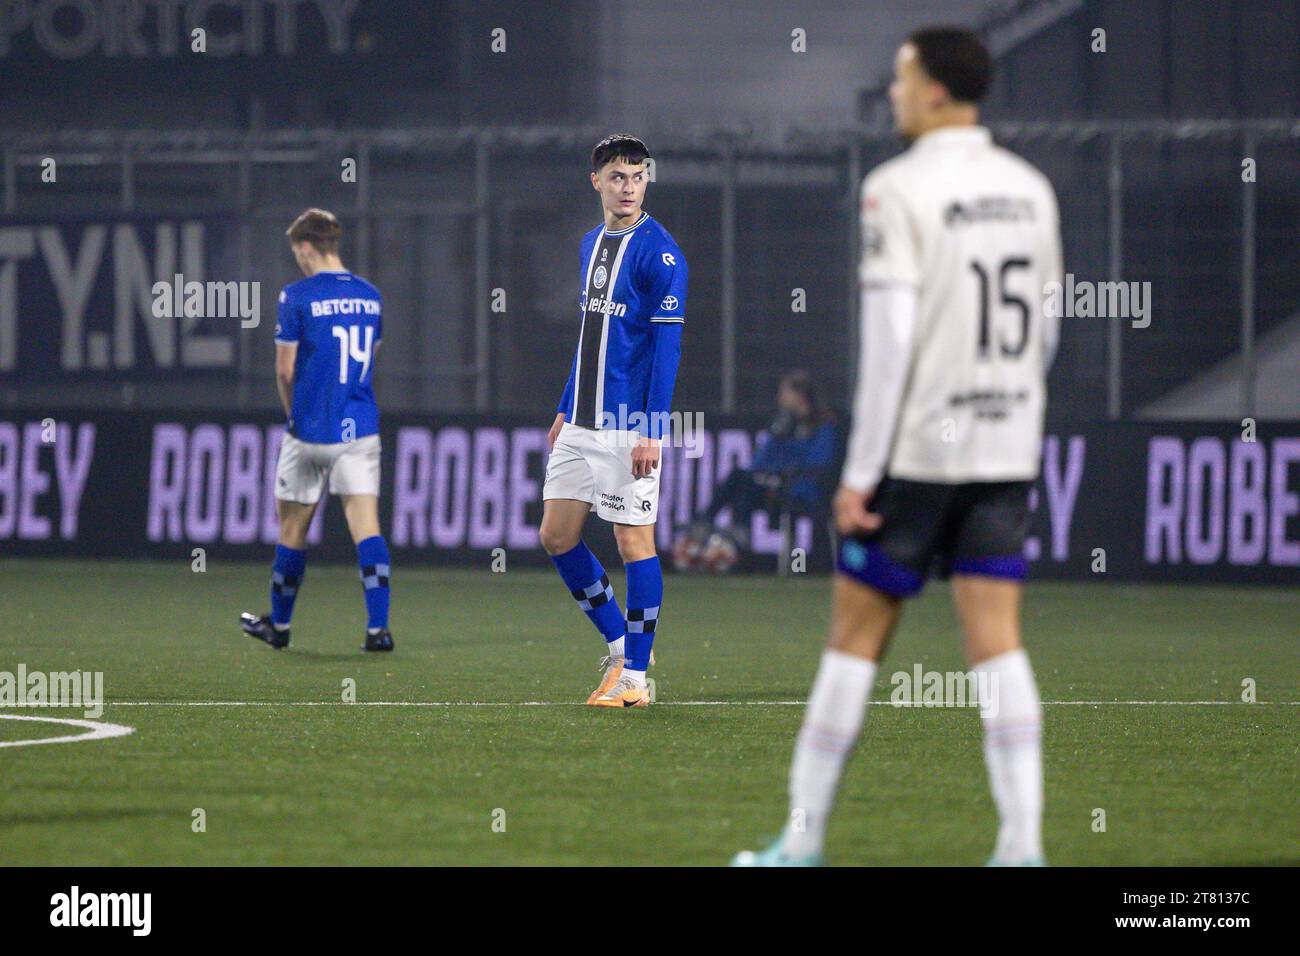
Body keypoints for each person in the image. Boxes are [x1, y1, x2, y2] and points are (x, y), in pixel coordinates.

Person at [734, 25, 1062, 865]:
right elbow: (1050, 326)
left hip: (917, 456)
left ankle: (798, 847)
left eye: (903, 78)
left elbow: (890, 346)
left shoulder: (895, 189)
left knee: (854, 640)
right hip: (1006, 448)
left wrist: (861, 470)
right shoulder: (1032, 188)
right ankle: (1022, 850)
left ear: (939, 92)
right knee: (997, 643)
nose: (893, 92)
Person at [538, 134, 688, 708]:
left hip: (629, 423)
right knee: (556, 535)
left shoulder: (663, 255)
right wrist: (563, 404)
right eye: (617, 176)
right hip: (579, 421)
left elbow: (666, 350)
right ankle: (620, 645)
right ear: (596, 181)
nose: (628, 187)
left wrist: (654, 428)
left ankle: (636, 679)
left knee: (633, 542)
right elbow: (590, 337)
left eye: (637, 176)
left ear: (647, 180)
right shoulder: (589, 244)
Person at [240, 208, 394, 653]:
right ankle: (378, 630)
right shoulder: (371, 296)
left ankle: (280, 627)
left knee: (292, 530)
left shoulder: (297, 296)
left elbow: (286, 370)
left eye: (296, 251)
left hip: (308, 431)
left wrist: (295, 415)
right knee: (367, 528)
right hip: (358, 429)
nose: (297, 259)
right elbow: (368, 360)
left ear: (306, 247)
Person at [674, 370, 836, 570]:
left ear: (799, 396)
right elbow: (758, 462)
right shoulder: (783, 424)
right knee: (742, 477)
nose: (780, 398)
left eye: (785, 393)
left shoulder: (821, 424)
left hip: (803, 490)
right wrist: (776, 438)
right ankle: (723, 527)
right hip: (773, 488)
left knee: (746, 481)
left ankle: (718, 524)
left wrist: (782, 468)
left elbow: (819, 461)